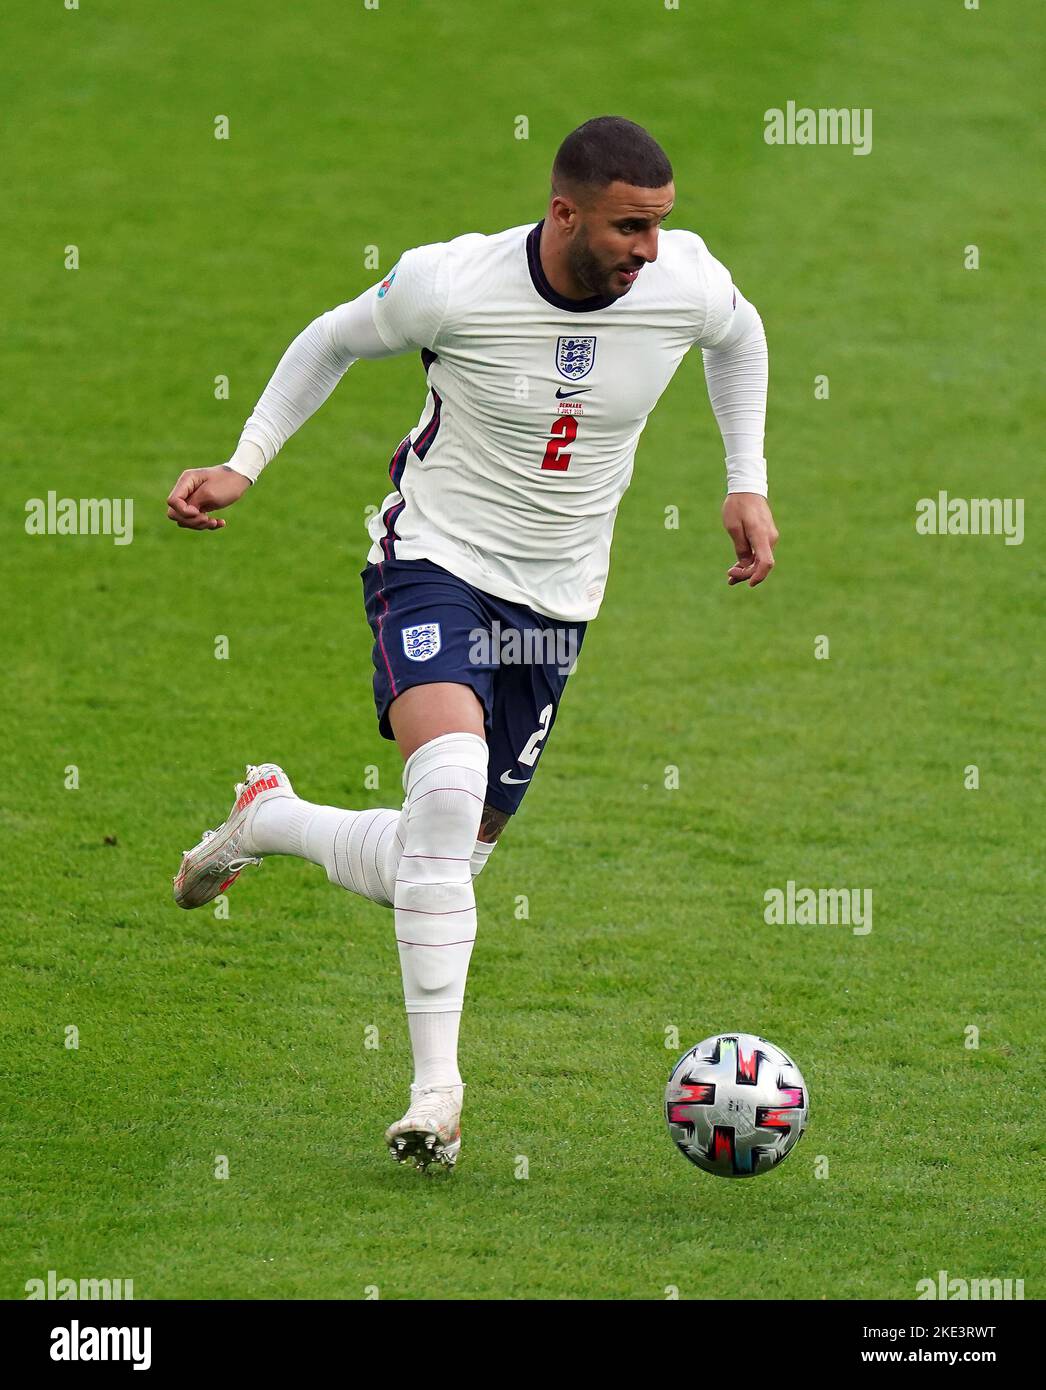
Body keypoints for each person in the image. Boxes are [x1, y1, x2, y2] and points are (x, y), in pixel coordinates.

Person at [167, 115, 778, 1171]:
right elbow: (330, 338)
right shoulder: (449, 286)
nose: (648, 249)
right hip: (434, 559)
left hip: (558, 602)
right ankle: (434, 1095)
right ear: (564, 213)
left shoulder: (682, 281)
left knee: (437, 864)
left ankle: (269, 818)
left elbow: (740, 338)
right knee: (443, 797)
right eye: (629, 227)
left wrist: (744, 477)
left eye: (660, 226)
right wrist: (244, 461)